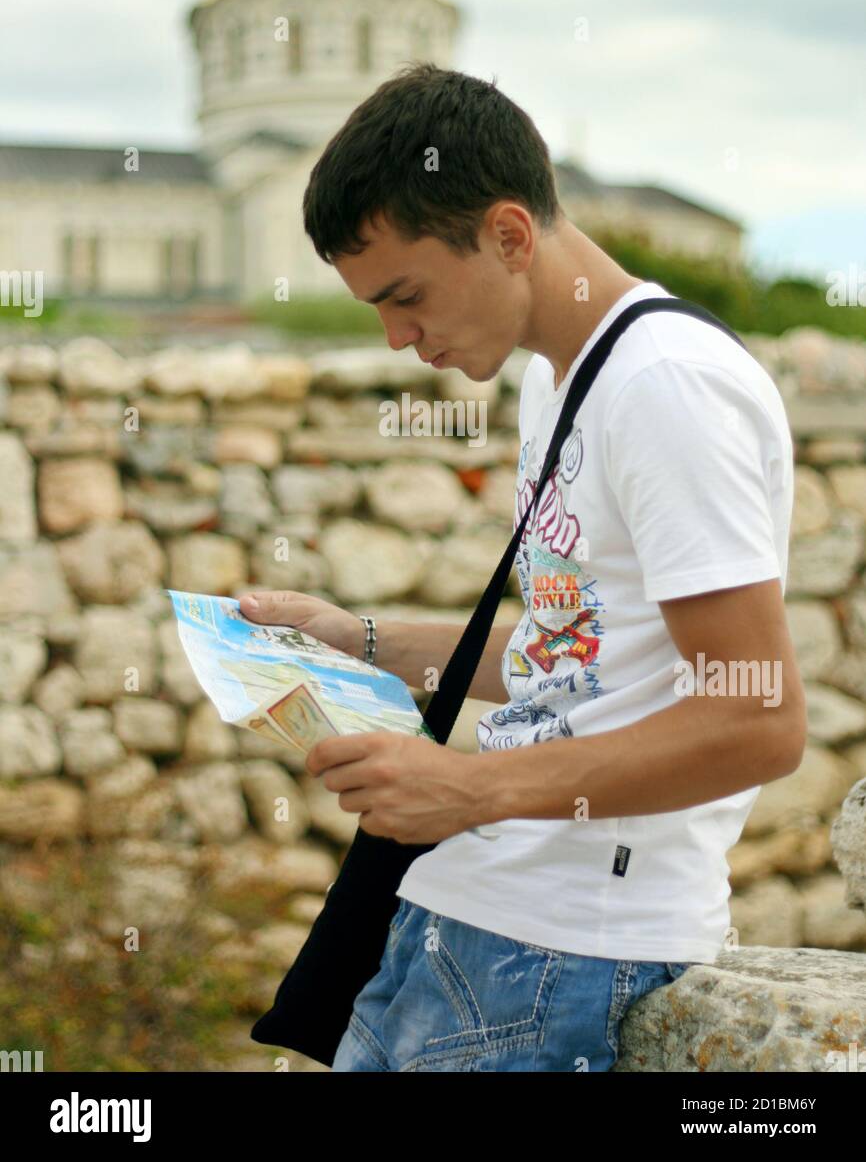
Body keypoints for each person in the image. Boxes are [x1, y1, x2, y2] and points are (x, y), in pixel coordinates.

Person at [239, 62, 806, 1072]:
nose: (397, 338)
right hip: (477, 919)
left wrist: (470, 788)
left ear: (507, 234)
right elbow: (574, 655)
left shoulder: (667, 385)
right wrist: (353, 638)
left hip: (567, 950)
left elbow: (755, 717)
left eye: (405, 296)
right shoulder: (557, 378)